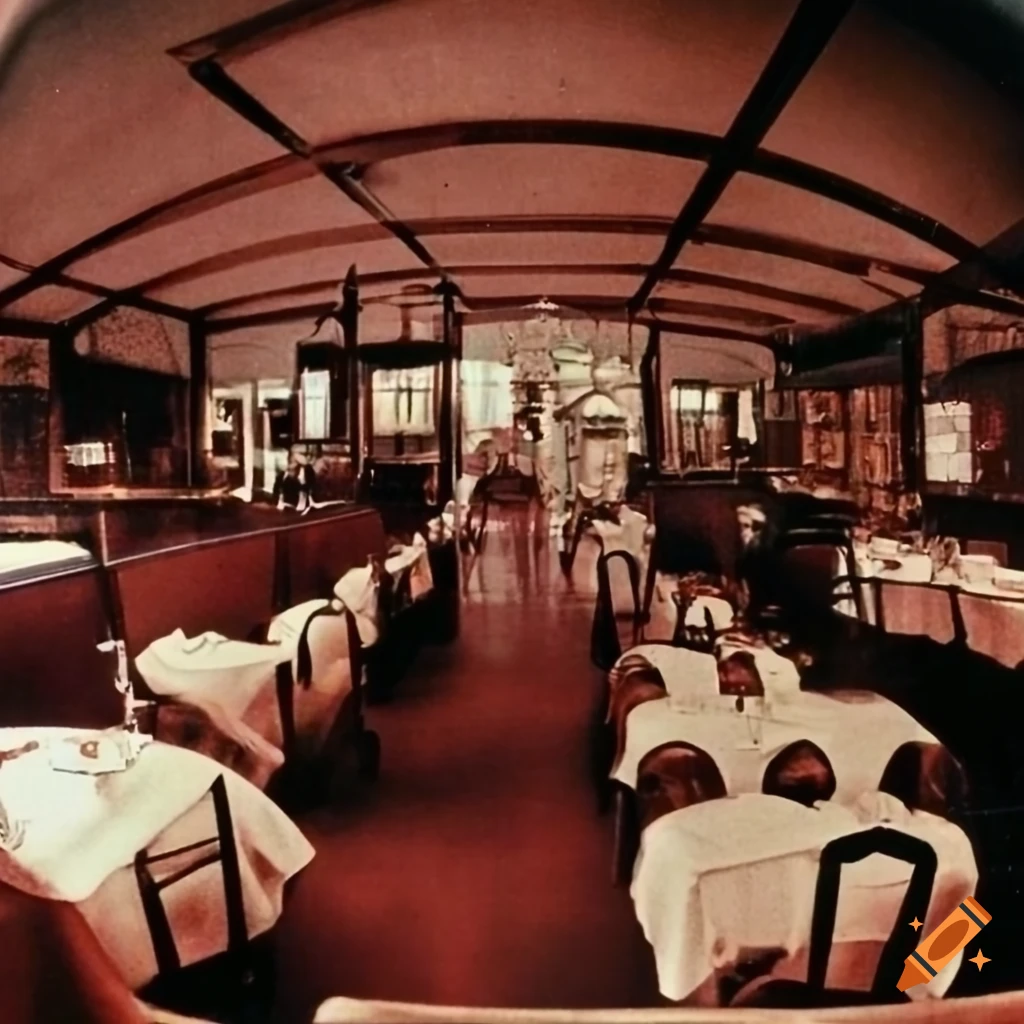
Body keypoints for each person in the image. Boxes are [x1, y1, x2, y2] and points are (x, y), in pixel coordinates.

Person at [273, 446, 316, 511]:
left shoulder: (307, 471)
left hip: (304, 510)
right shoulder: (282, 476)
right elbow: (276, 493)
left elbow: (312, 490)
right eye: (290, 457)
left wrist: (303, 483)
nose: (291, 459)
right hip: (285, 510)